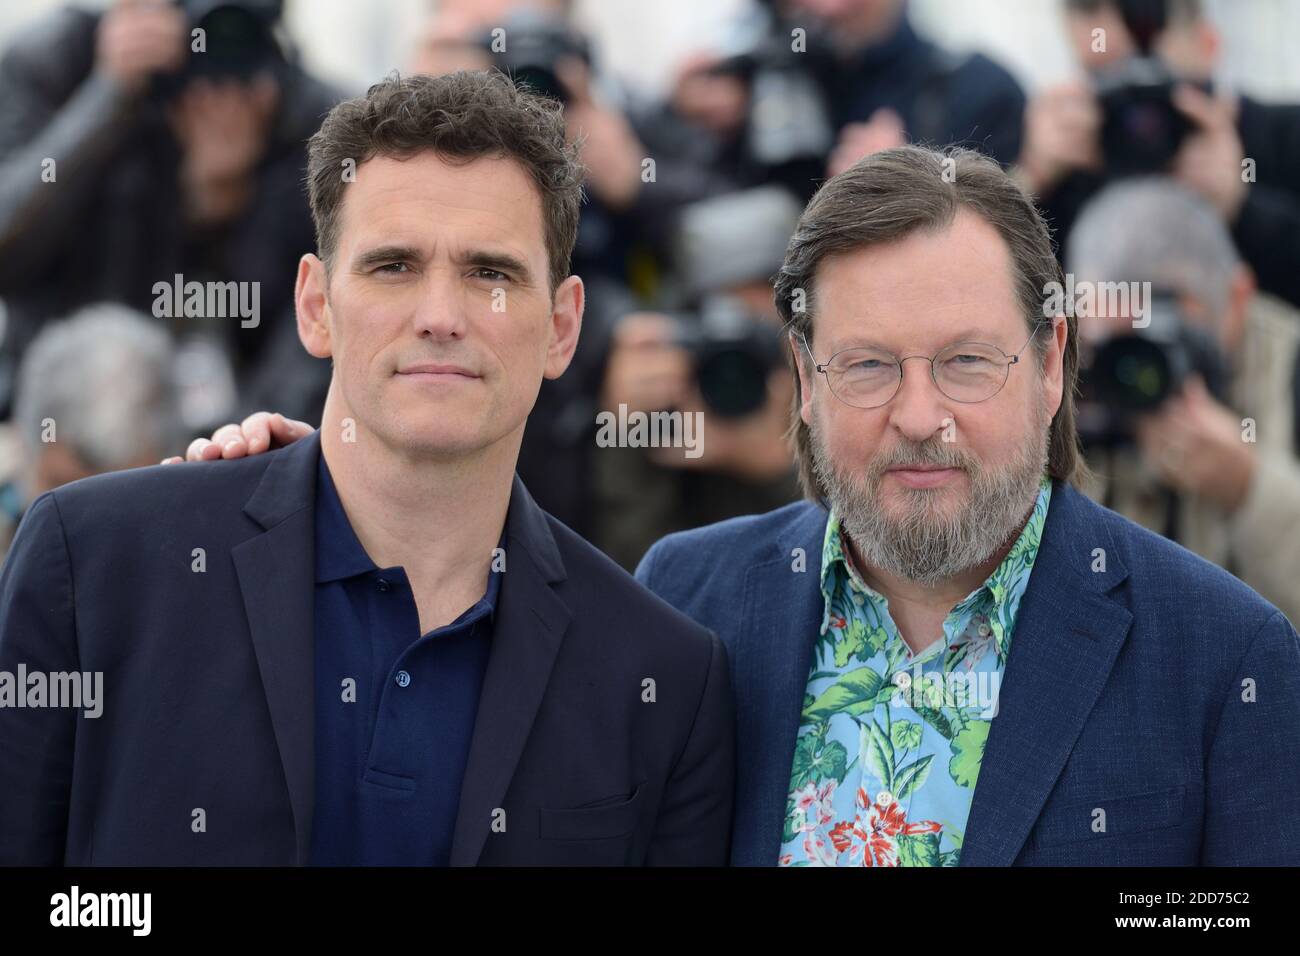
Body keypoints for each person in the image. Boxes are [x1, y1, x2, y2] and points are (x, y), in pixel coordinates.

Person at [166, 144, 1300, 867]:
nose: (917, 415)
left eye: (967, 362)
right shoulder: (689, 600)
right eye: (865, 366)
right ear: (802, 382)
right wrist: (341, 485)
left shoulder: (1225, 658)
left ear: (1051, 361)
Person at [0, 71, 734, 867]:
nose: (441, 318)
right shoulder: (97, 563)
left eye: (491, 273)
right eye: (393, 266)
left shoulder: (661, 675)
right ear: (315, 307)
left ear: (562, 328)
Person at [1067, 178, 1300, 626]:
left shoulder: (1287, 370)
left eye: (1156, 337)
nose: (1134, 371)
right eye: (1112, 347)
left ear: (1236, 298)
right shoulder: (1066, 373)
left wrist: (1248, 487)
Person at [1017, 0, 1300, 308]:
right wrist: (1031, 184)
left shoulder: (1284, 139)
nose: (1139, 123)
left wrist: (1241, 209)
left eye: (1155, 85)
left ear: (1208, 45)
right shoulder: (1067, 169)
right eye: (1109, 84)